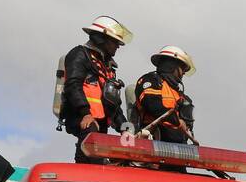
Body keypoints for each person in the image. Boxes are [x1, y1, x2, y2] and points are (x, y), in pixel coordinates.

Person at [60, 16, 132, 163]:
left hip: (100, 124)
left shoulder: (107, 66)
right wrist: (85, 113)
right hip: (83, 118)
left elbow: (112, 103)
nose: (118, 46)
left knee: (126, 147)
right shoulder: (80, 54)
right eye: (114, 41)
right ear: (101, 38)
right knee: (90, 142)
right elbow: (73, 85)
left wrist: (126, 128)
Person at [132, 46, 198, 145]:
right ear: (171, 65)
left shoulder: (182, 97)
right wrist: (178, 121)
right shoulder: (151, 81)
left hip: (179, 149)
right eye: (182, 67)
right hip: (152, 144)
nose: (184, 72)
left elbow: (188, 125)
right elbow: (154, 106)